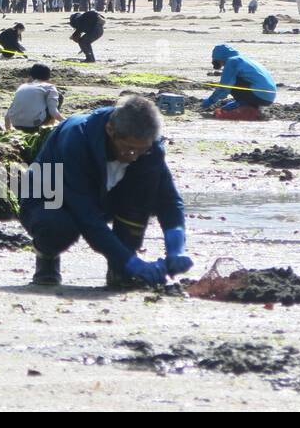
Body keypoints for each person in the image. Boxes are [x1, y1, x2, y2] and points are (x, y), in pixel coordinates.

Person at [22, 95, 191, 289]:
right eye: (128, 148)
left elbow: (168, 199)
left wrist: (176, 247)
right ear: (110, 130)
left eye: (141, 150)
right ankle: (47, 256)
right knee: (58, 226)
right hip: (49, 197)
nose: (134, 156)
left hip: (104, 195)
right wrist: (131, 263)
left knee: (144, 192)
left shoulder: (150, 148)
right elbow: (86, 217)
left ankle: (119, 269)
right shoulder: (76, 138)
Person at [200, 43, 276, 117]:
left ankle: (243, 106)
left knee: (231, 81)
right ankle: (252, 108)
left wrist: (210, 101)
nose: (223, 66)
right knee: (237, 81)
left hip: (258, 95)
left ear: (220, 58)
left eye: (220, 63)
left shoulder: (232, 61)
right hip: (269, 97)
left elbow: (224, 88)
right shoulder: (244, 59)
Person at [5, 64, 65, 133]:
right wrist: (65, 122)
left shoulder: (22, 86)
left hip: (16, 124)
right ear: (48, 78)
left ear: (30, 76)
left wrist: (8, 130)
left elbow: (7, 115)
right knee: (59, 96)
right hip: (35, 125)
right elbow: (53, 111)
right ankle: (48, 126)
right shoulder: (49, 87)